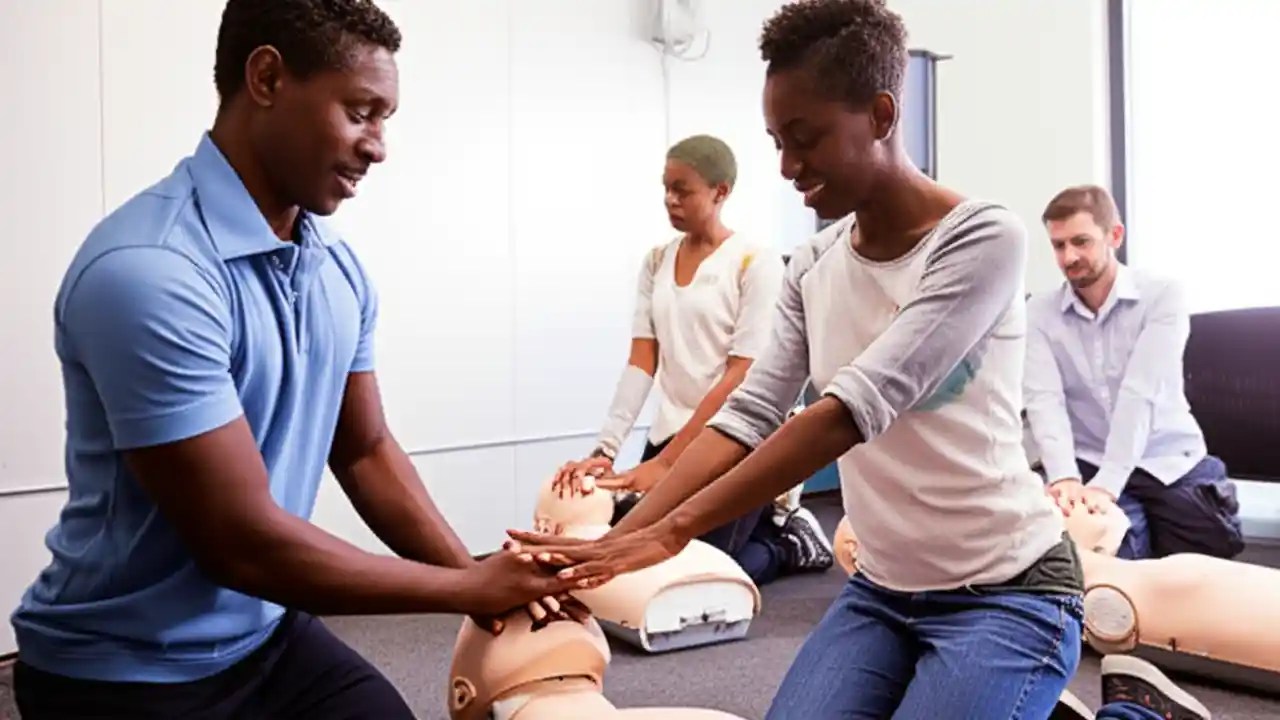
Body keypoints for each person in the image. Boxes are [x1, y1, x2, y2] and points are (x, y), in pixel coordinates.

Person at [8, 2, 587, 718]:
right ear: (267, 78)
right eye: (361, 111)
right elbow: (242, 544)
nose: (378, 146)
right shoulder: (149, 272)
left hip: (264, 635)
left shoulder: (335, 270)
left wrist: (474, 574)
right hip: (120, 668)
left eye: (385, 119)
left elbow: (366, 449)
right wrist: (465, 589)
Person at [510, 1, 1085, 717]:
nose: (786, 166)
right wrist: (617, 537)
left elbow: (847, 412)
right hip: (883, 593)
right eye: (777, 141)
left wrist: (668, 533)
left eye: (805, 139)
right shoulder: (812, 264)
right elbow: (749, 411)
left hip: (1009, 588)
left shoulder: (982, 238)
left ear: (880, 115)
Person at [553, 134, 832, 586]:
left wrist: (669, 464)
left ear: (720, 192)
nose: (670, 199)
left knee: (701, 572)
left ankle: (789, 542)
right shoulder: (657, 261)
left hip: (737, 438)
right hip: (671, 435)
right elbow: (642, 360)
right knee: (627, 555)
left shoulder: (754, 263)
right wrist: (605, 451)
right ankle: (760, 519)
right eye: (666, 188)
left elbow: (743, 374)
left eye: (682, 189)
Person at [1023, 183, 1244, 560]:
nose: (1069, 256)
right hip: (1089, 461)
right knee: (1106, 563)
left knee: (1202, 563)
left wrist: (1108, 485)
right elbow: (1045, 400)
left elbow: (1140, 393)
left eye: (1081, 241)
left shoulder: (1162, 296)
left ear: (1115, 235)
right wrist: (1064, 478)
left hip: (1168, 459)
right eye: (1058, 245)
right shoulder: (1039, 313)